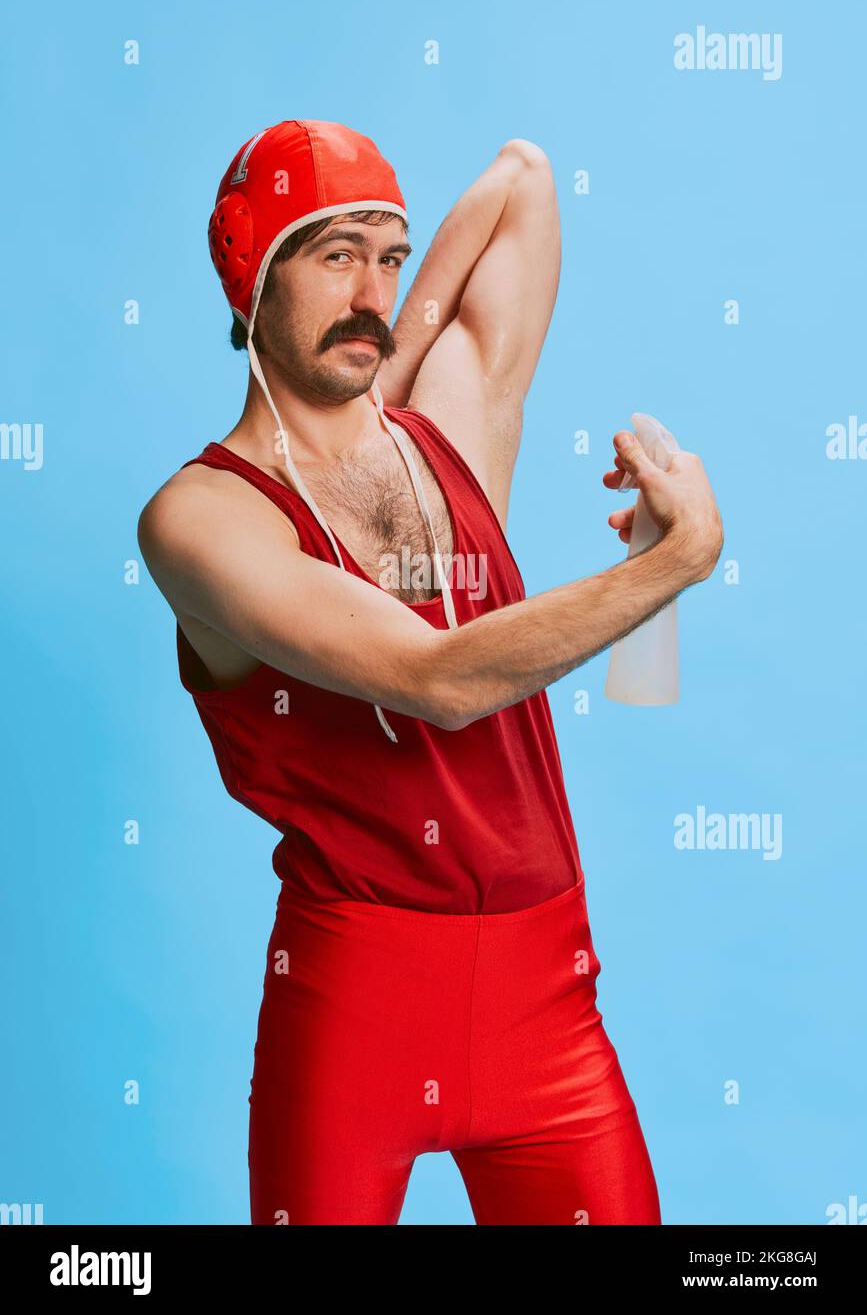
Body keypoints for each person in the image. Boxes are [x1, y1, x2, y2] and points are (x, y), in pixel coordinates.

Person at [137, 120, 723, 1225]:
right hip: (355, 1007)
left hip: (549, 999)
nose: (373, 293)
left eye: (391, 258)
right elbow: (439, 679)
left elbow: (524, 180)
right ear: (252, 273)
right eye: (335, 257)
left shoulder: (447, 434)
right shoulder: (200, 518)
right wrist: (675, 562)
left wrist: (386, 335)